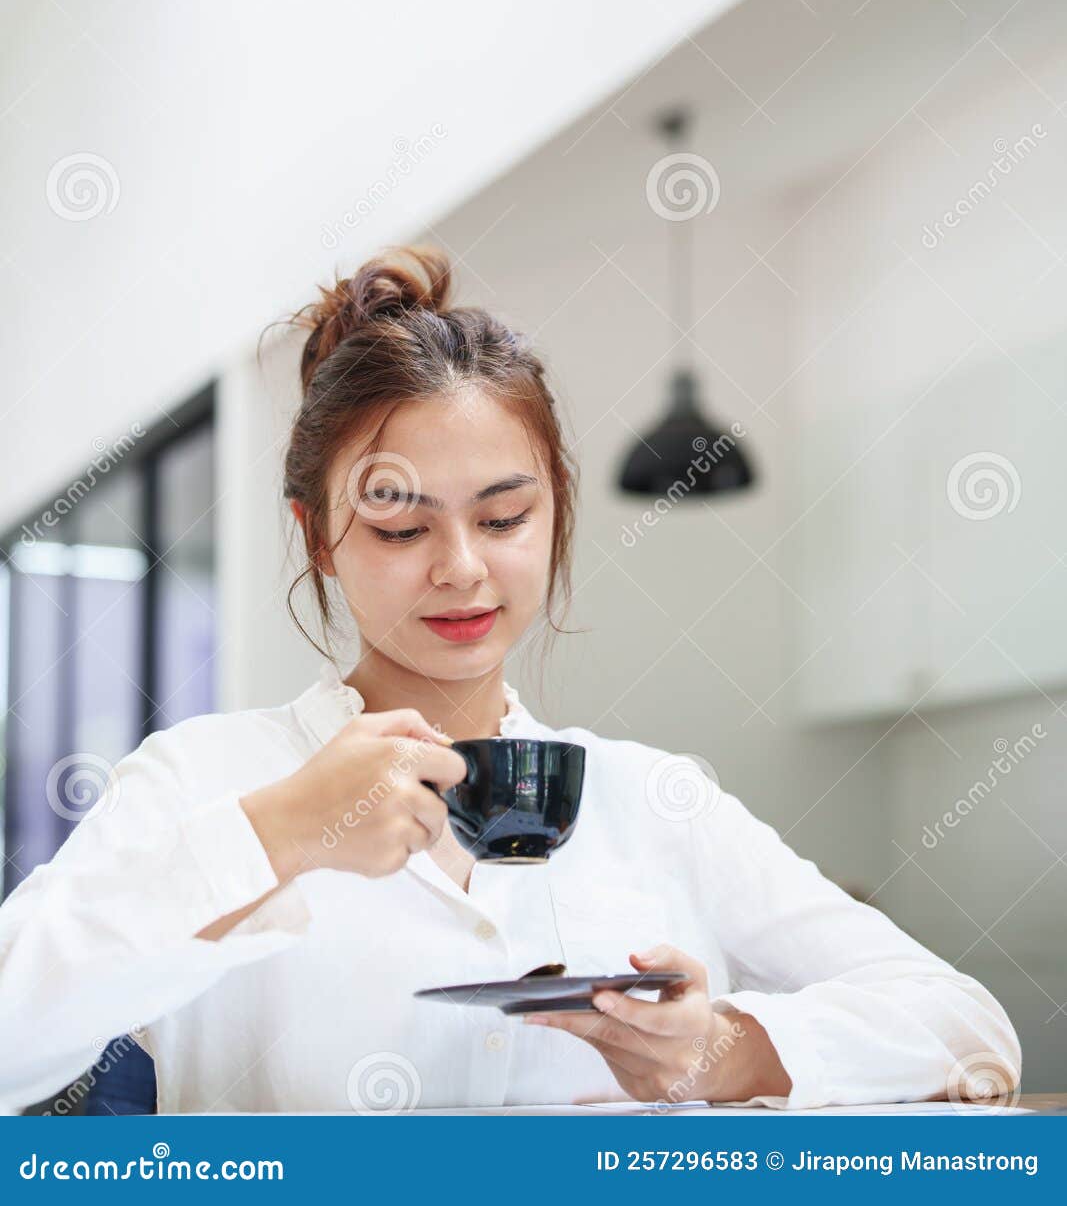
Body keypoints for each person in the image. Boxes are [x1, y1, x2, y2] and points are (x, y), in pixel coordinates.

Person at [0, 246, 1021, 1113]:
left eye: (501, 518)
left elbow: (964, 1024)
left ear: (554, 512)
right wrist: (275, 837)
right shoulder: (208, 777)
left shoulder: (650, 797)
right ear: (317, 536)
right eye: (400, 525)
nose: (460, 568)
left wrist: (722, 1047)